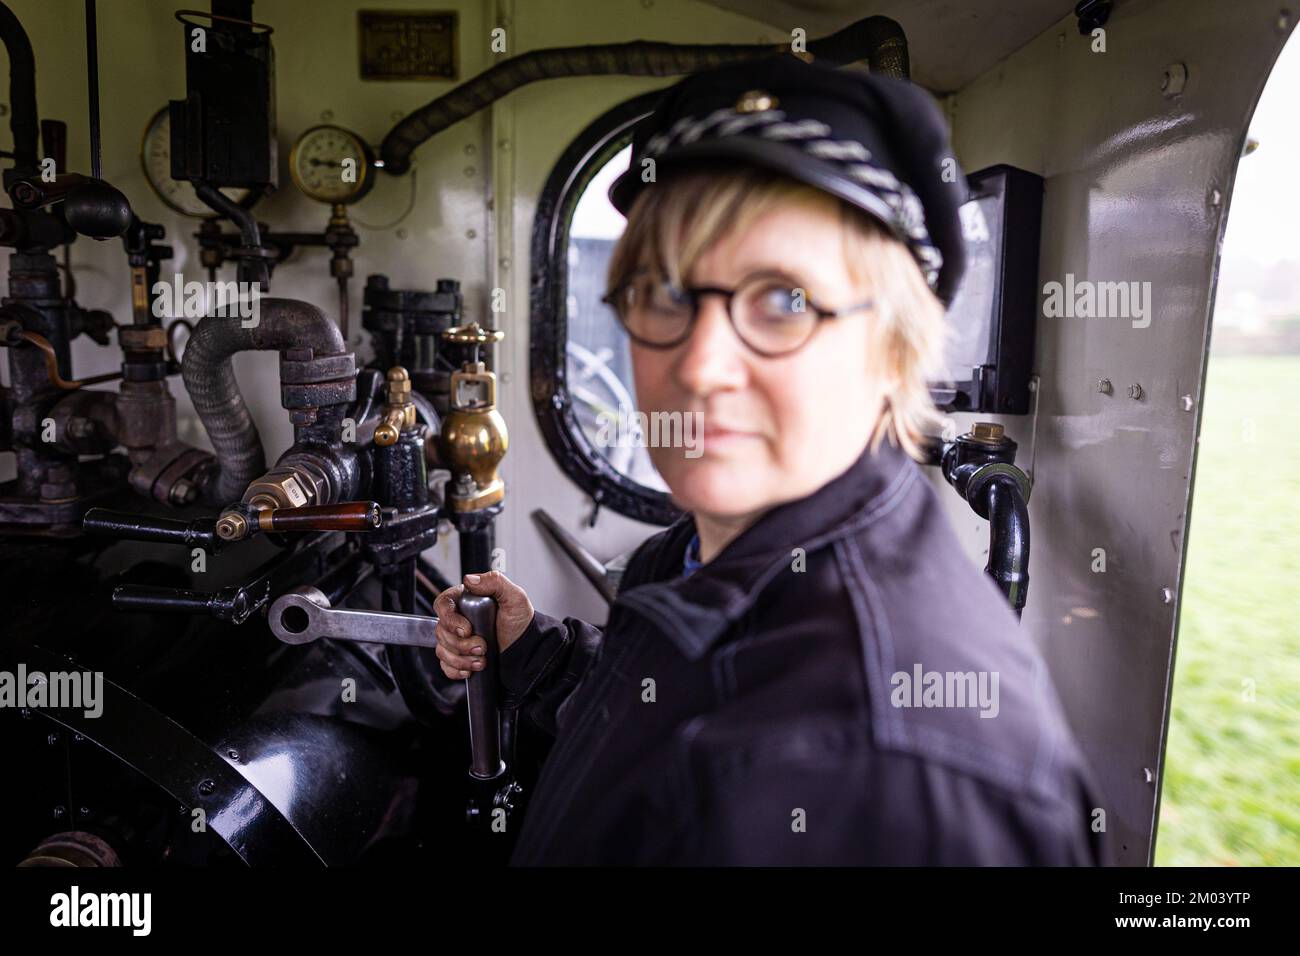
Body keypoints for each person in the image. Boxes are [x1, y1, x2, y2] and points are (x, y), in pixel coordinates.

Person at [433, 54, 1107, 865]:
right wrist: (533, 657)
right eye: (667, 293)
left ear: (893, 350)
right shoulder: (692, 552)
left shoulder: (894, 773)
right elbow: (655, 724)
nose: (701, 364)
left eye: (784, 299)